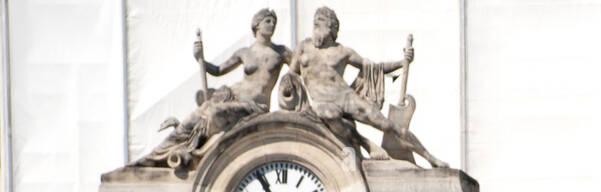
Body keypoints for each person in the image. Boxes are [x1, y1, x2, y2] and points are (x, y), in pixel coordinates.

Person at [286, 6, 447, 167]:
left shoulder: (342, 51)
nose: (316, 28)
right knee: (327, 113)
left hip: (346, 97)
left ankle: (430, 157)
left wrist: (402, 62)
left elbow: (373, 67)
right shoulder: (303, 47)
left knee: (387, 125)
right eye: (315, 24)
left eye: (320, 23)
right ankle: (366, 144)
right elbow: (291, 76)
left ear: (332, 27)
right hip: (321, 102)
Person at [135, 8, 291, 169]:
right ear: (257, 25)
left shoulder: (281, 52)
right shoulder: (245, 52)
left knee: (215, 113)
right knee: (194, 117)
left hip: (255, 106)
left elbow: (298, 70)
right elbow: (218, 70)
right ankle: (156, 155)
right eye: (268, 21)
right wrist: (200, 58)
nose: (272, 25)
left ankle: (193, 148)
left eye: (274, 22)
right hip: (231, 96)